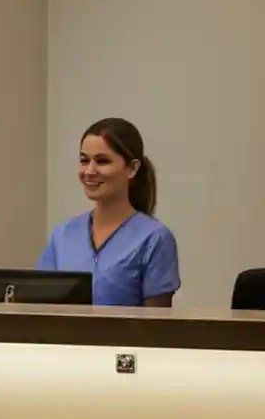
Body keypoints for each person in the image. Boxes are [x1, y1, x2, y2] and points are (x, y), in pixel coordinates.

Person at [37, 117, 181, 307]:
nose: (89, 170)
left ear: (132, 168)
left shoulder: (154, 239)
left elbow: (156, 328)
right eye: (84, 160)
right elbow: (42, 307)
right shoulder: (63, 235)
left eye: (102, 161)